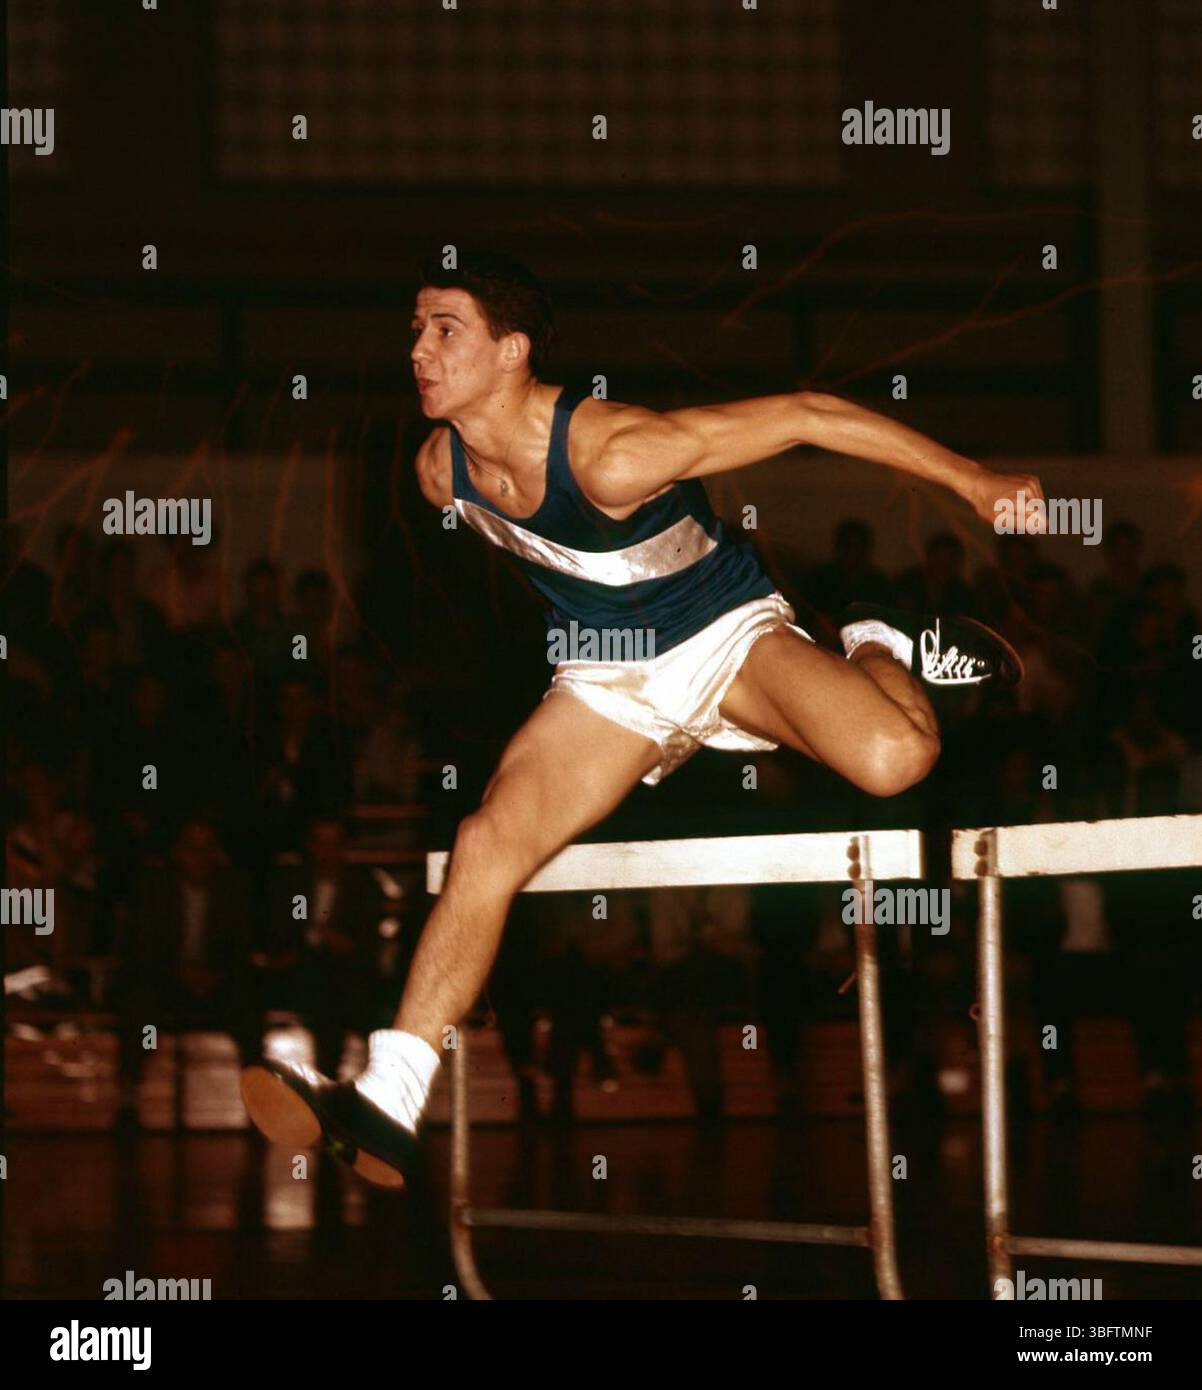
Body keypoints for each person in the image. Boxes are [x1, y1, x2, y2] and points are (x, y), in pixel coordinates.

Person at [241, 249, 1041, 1189]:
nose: (419, 348)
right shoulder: (437, 472)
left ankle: (874, 646)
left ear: (513, 352)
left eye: (445, 328)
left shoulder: (615, 451)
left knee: (895, 758)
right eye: (415, 328)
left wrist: (976, 480)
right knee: (488, 839)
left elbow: (806, 414)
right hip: (608, 675)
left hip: (725, 636)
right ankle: (392, 1088)